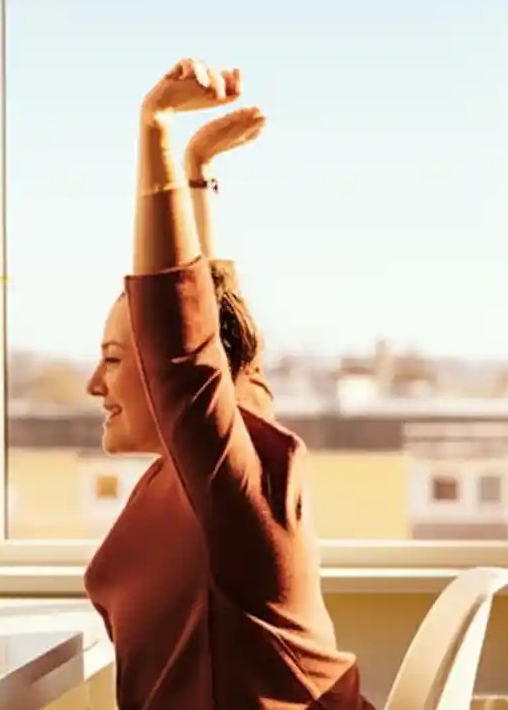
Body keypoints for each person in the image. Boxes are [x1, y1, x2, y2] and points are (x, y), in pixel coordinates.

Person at [83, 58, 377, 709]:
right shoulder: (227, 467)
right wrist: (196, 175)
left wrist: (156, 130)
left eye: (112, 359)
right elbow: (220, 329)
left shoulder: (234, 491)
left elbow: (186, 340)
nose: (93, 384)